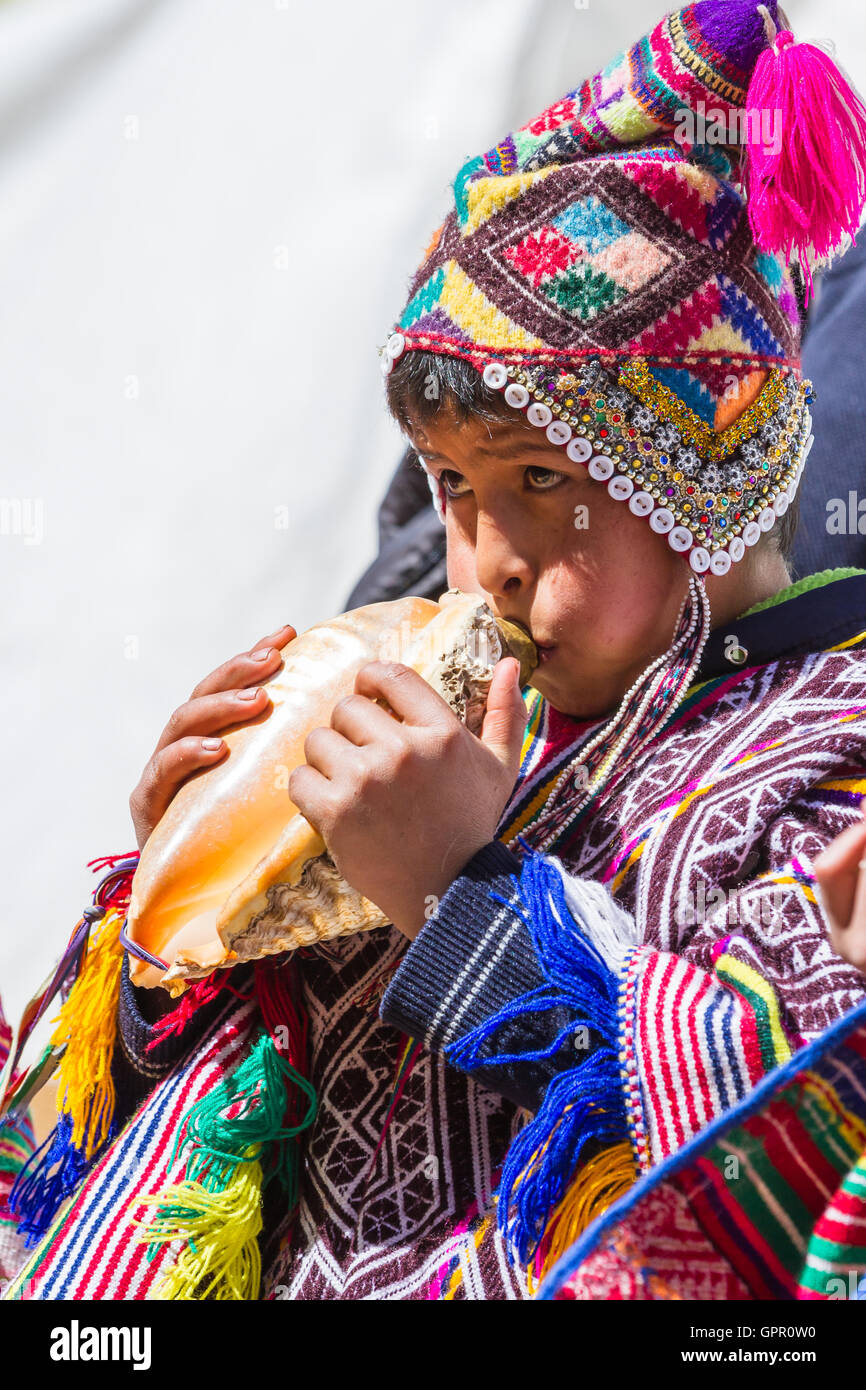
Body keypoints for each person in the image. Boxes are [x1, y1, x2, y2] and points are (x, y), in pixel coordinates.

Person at [4, 0, 866, 1301]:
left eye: (538, 479)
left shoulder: (828, 757)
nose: (489, 561)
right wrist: (183, 907)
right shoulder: (423, 704)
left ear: (709, 472)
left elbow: (783, 1161)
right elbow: (93, 1152)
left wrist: (464, 896)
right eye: (452, 491)